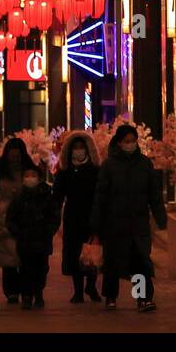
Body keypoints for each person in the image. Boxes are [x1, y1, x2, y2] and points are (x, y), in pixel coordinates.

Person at [91, 124, 167, 312]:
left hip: (138, 224)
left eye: (133, 141)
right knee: (112, 263)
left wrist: (160, 217)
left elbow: (154, 195)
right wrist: (95, 223)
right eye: (127, 141)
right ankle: (110, 297)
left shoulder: (144, 164)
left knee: (141, 262)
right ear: (119, 143)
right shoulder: (109, 166)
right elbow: (100, 196)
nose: (130, 144)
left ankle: (143, 299)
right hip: (114, 224)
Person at [54, 130, 102, 303]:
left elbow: (101, 194)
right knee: (74, 253)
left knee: (92, 251)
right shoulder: (64, 171)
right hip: (73, 216)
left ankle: (91, 286)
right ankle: (78, 291)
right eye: (75, 147)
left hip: (92, 214)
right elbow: (57, 196)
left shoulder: (96, 170)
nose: (79, 150)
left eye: (82, 147)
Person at [5, 160, 60, 310]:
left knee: (41, 269)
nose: (30, 179)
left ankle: (39, 292)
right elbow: (10, 218)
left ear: (39, 178)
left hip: (42, 241)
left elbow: (54, 217)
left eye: (33, 175)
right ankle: (27, 296)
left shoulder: (48, 196)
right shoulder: (19, 198)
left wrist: (48, 231)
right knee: (26, 270)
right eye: (27, 176)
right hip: (25, 241)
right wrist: (18, 232)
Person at [0, 137, 30, 304]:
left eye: (17, 156)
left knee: (25, 257)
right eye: (12, 156)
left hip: (27, 218)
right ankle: (12, 292)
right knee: (8, 259)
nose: (14, 160)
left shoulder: (30, 171)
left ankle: (26, 289)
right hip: (4, 219)